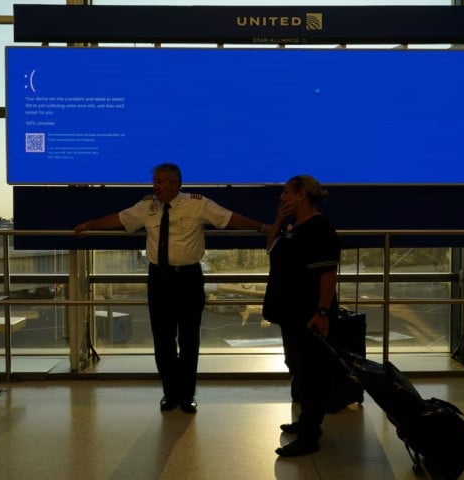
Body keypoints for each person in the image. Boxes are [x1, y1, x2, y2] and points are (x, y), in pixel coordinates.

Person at [74, 163, 267, 413]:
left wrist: (262, 227)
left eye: (162, 181)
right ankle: (169, 393)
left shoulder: (197, 204)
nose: (157, 186)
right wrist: (89, 224)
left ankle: (187, 395)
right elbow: (119, 219)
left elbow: (229, 219)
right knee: (163, 340)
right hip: (159, 279)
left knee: (189, 340)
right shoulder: (148, 206)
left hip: (188, 278)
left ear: (177, 184)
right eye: (155, 181)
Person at [262, 175, 341, 457]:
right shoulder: (292, 225)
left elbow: (327, 274)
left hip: (308, 314)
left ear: (301, 195)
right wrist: (278, 220)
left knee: (311, 373)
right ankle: (306, 422)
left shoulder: (320, 229)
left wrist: (322, 311)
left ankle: (310, 434)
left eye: (286, 192)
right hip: (290, 312)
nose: (281, 196)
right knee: (298, 366)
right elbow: (270, 249)